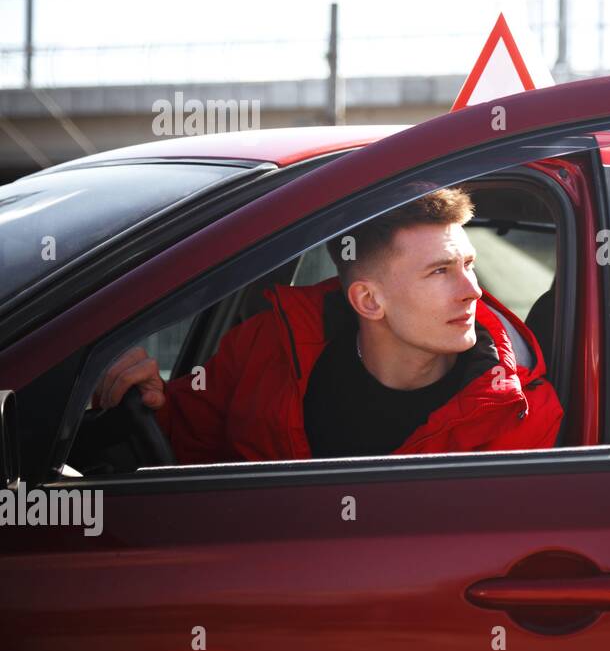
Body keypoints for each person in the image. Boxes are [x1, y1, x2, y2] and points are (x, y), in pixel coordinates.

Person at [91, 186, 564, 463]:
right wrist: (146, 400)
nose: (473, 291)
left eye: (469, 265)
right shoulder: (266, 348)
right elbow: (183, 448)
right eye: (440, 271)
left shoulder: (519, 413)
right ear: (368, 301)